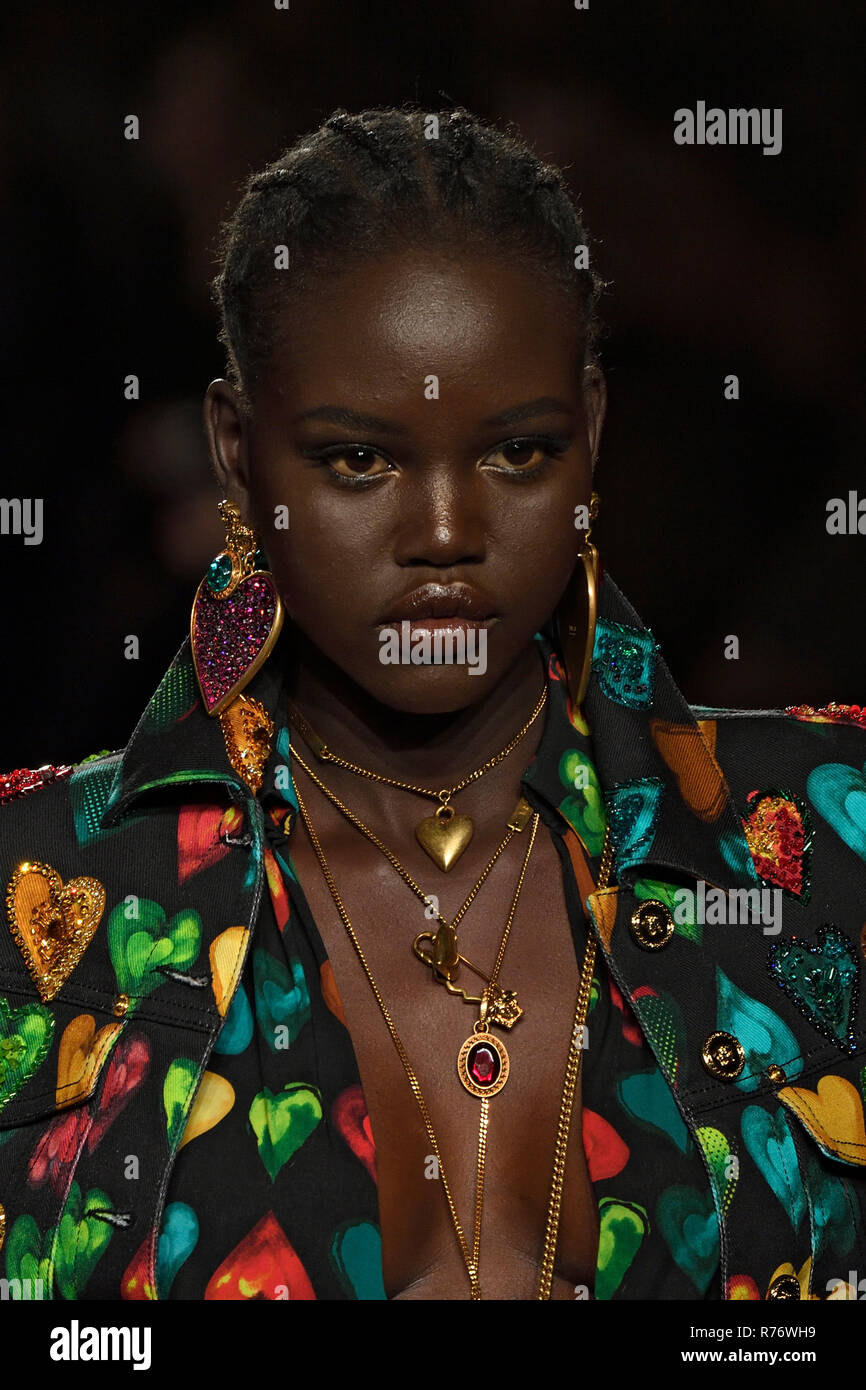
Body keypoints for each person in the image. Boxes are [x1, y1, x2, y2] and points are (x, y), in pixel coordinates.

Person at [1, 105, 864, 1303]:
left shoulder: (826, 845)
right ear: (238, 453)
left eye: (515, 453)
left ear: (593, 436)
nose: (447, 536)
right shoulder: (38, 893)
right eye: (359, 460)